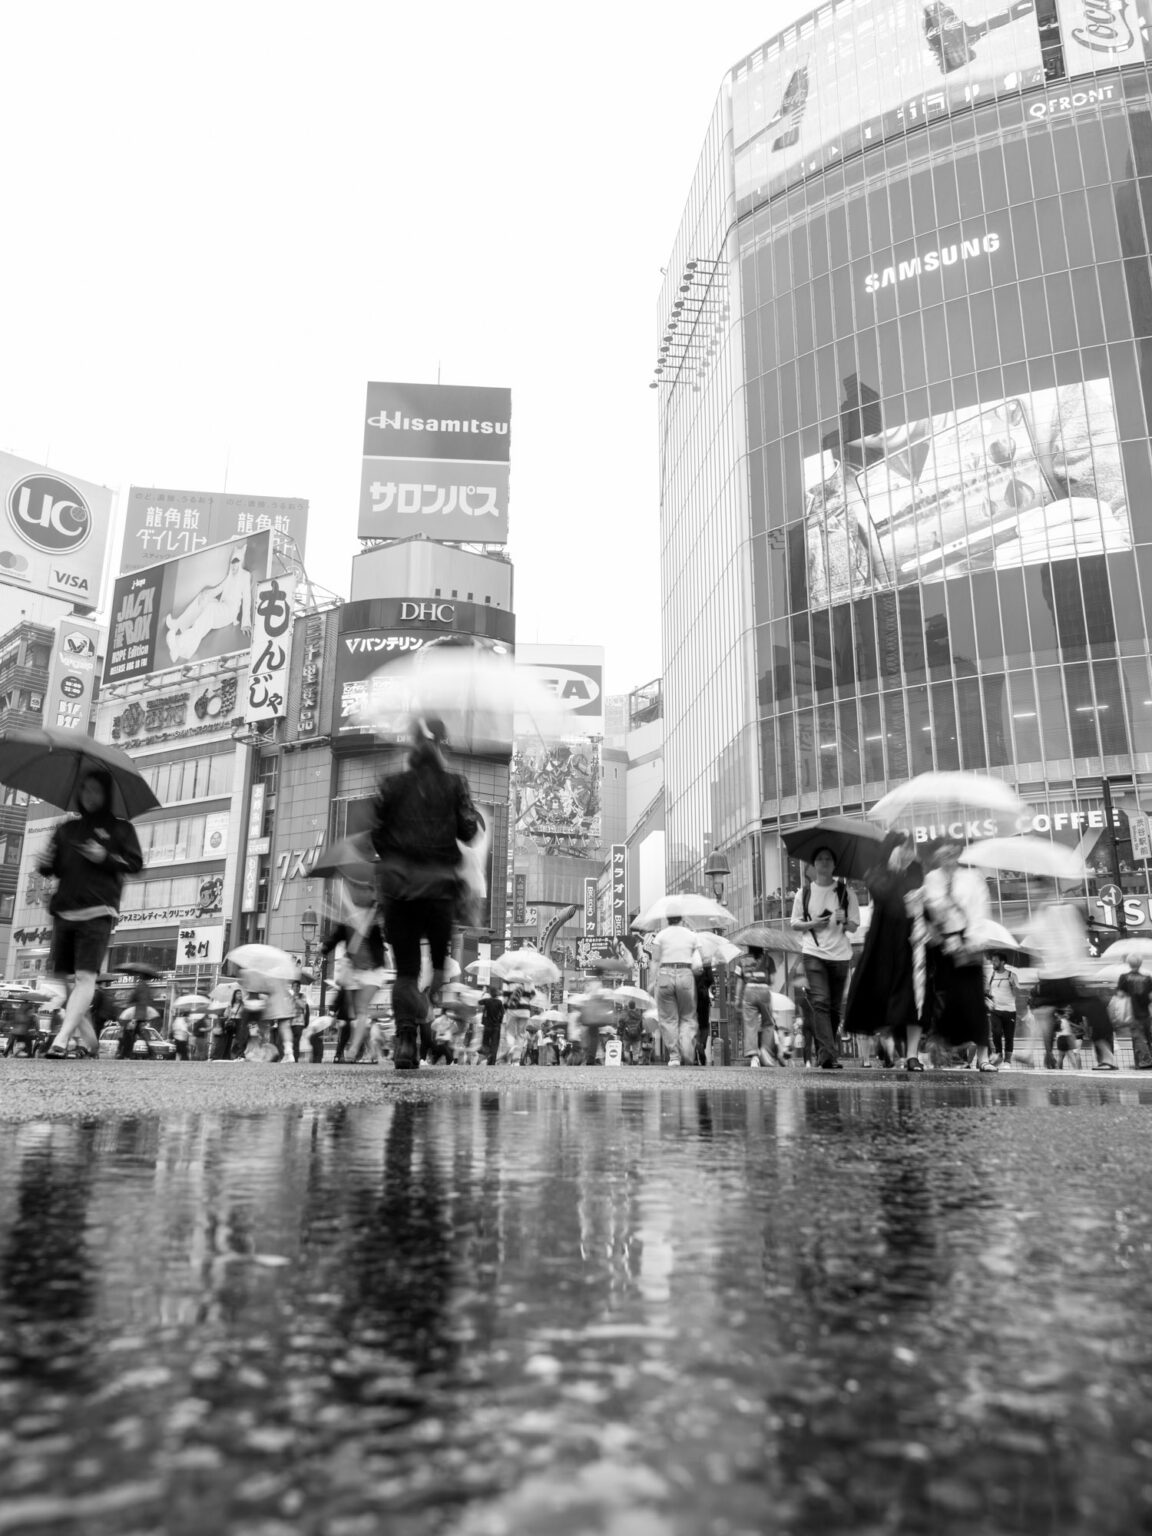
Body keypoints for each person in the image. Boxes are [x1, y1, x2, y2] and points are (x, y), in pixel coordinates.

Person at [371, 716, 481, 1071]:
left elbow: (377, 836)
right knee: (437, 966)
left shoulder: (391, 784)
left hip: (399, 890)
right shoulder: (454, 784)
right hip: (439, 890)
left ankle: (406, 1039)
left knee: (405, 970)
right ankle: (424, 1012)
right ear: (440, 747)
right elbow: (468, 831)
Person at [41, 769, 144, 1059]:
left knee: (85, 978)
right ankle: (89, 1039)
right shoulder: (66, 829)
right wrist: (46, 864)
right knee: (64, 980)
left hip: (98, 909)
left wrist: (105, 857)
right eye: (85, 789)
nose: (89, 795)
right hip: (64, 910)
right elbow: (54, 868)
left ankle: (61, 1040)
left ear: (106, 794)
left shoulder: (121, 829)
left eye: (96, 790)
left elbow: (135, 863)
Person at [844, 831, 925, 1070]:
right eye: (903, 847)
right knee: (884, 998)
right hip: (883, 945)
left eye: (910, 848)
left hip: (912, 942)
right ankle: (890, 1043)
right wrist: (895, 871)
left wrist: (920, 899)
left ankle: (912, 1055)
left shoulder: (916, 871)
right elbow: (884, 896)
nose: (908, 853)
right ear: (891, 849)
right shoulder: (876, 873)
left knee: (913, 997)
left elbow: (922, 901)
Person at [920, 838, 997, 1071]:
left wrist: (972, 940)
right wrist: (941, 933)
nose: (947, 856)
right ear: (937, 855)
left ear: (958, 852)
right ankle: (943, 1047)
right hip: (942, 946)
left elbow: (980, 909)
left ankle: (983, 1057)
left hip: (969, 942)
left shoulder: (972, 878)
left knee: (975, 999)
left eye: (951, 851)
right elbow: (928, 913)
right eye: (942, 852)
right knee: (947, 1000)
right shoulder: (931, 879)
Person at [1023, 885, 1117, 1071]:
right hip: (1063, 976)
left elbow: (1057, 946)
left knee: (1044, 1010)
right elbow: (1070, 943)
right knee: (1092, 1010)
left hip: (1062, 976)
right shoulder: (1056, 912)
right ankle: (1107, 1057)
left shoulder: (1051, 913)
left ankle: (1028, 1052)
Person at [790, 848, 860, 1070]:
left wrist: (844, 919)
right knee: (820, 1001)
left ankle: (825, 1052)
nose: (824, 862)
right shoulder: (804, 893)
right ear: (813, 864)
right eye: (819, 858)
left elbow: (854, 926)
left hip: (840, 955)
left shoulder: (846, 893)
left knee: (834, 1008)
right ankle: (829, 1055)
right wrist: (813, 924)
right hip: (813, 953)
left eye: (828, 858)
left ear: (834, 864)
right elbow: (794, 923)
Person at [164, 543, 253, 663]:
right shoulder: (230, 576)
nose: (234, 565)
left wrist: (245, 623)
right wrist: (205, 594)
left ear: (241, 562)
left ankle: (180, 644)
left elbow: (247, 598)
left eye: (237, 562)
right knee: (204, 598)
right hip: (222, 605)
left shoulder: (245, 576)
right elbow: (219, 589)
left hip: (229, 612)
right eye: (232, 562)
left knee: (211, 609)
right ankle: (178, 624)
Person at [646, 901, 704, 1066]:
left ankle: (674, 1057)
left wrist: (652, 982)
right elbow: (700, 961)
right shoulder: (692, 935)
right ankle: (686, 1044)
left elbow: (655, 960)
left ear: (667, 918)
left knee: (668, 1018)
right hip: (685, 974)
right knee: (687, 1016)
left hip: (665, 975)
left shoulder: (661, 936)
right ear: (682, 917)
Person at [737, 945, 780, 1067]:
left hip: (749, 991)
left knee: (750, 1025)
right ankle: (765, 1051)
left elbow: (739, 982)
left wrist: (737, 999)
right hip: (764, 991)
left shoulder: (742, 960)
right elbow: (772, 980)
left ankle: (754, 1057)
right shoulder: (768, 959)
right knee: (768, 1023)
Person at [1115, 954, 1152, 1070]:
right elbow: (1151, 997)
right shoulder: (1147, 978)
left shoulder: (1124, 977)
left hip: (1132, 1013)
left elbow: (1120, 995)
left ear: (1129, 963)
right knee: (1146, 1038)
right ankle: (1141, 1063)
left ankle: (1145, 1061)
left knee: (1137, 1038)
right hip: (1146, 1013)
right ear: (1140, 963)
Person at [985, 952, 1020, 1069]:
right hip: (995, 1010)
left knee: (1009, 1036)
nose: (993, 963)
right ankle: (999, 1056)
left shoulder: (1012, 975)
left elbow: (1017, 994)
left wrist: (1013, 985)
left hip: (1010, 1010)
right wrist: (987, 1000)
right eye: (992, 961)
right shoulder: (991, 975)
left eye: (995, 961)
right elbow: (987, 992)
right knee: (996, 1033)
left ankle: (1007, 1061)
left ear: (1002, 962)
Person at [479, 983, 504, 1067]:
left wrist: (483, 993)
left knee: (485, 1042)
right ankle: (492, 1061)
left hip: (487, 1025)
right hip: (496, 1026)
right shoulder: (499, 1002)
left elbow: (479, 1002)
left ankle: (488, 1054)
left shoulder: (487, 1001)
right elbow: (502, 1013)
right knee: (495, 1044)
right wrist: (499, 1021)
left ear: (490, 993)